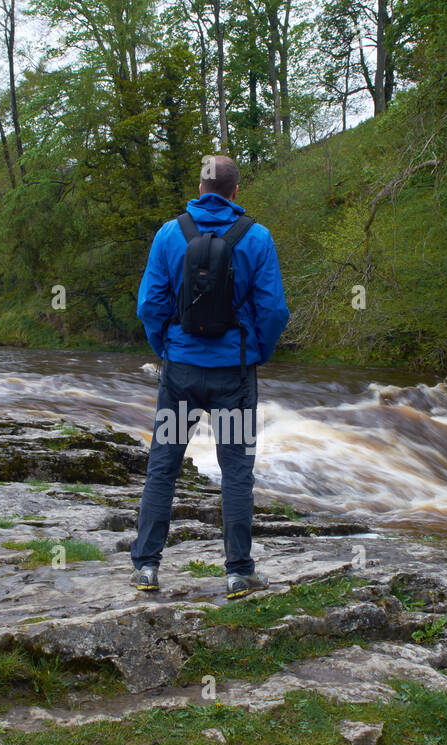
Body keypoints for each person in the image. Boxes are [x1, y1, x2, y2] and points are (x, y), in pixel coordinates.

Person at [130, 155, 290, 599]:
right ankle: (238, 572)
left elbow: (149, 304)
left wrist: (166, 347)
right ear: (236, 191)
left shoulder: (168, 234)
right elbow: (273, 310)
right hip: (234, 377)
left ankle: (146, 567)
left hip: (180, 374)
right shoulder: (256, 237)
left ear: (200, 189)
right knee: (236, 472)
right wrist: (258, 352)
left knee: (163, 466)